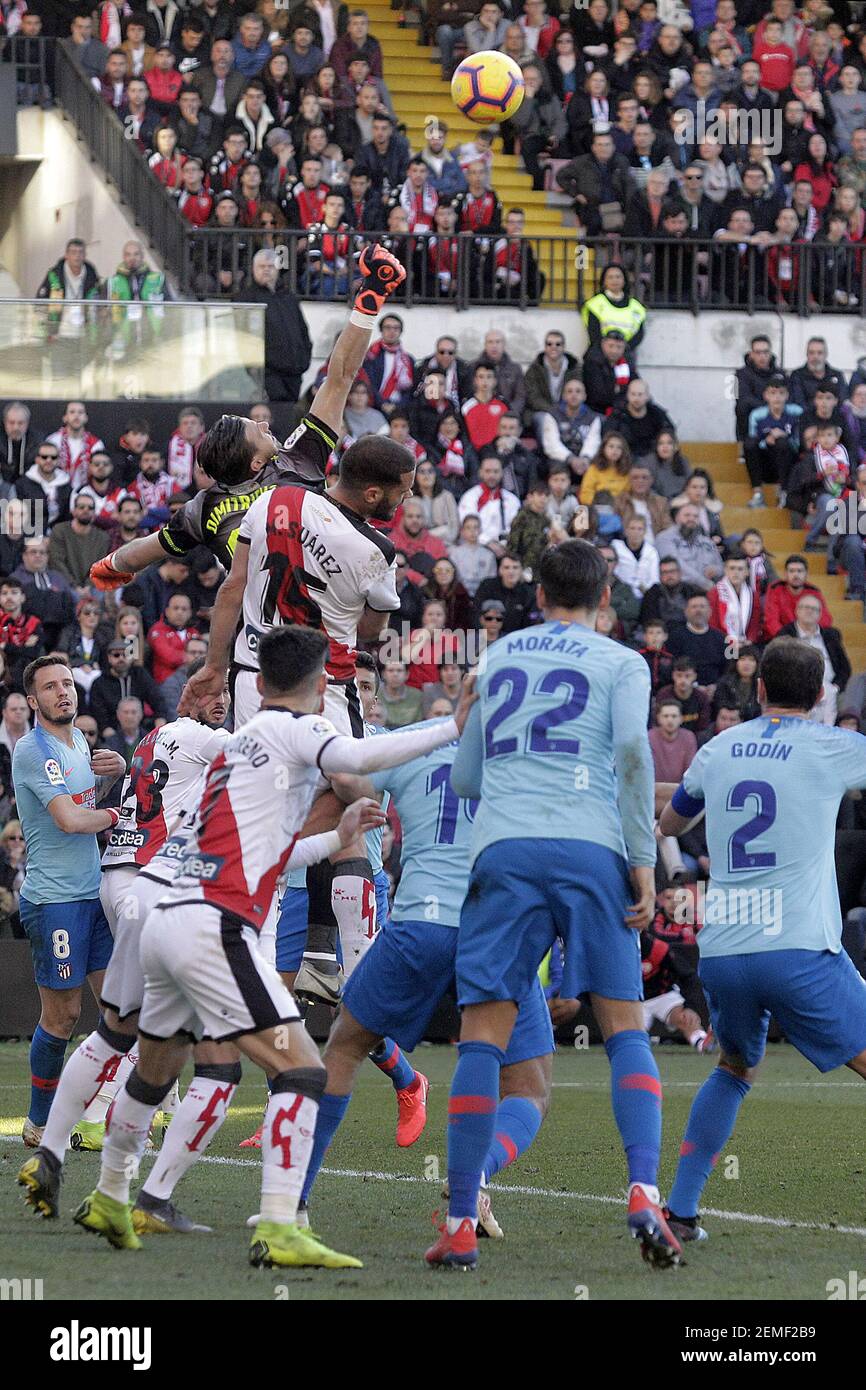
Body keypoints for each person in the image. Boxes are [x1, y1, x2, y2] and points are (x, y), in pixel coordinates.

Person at [57, 627, 473, 1262]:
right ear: (318, 687)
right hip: (210, 927)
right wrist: (454, 726)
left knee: (156, 1065)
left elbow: (270, 858)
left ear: (256, 682)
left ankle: (114, 1193)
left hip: (167, 918)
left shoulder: (237, 748)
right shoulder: (291, 728)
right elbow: (360, 761)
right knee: (303, 1068)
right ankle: (279, 1226)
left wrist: (337, 840)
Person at [432, 540, 677, 1271]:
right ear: (606, 598)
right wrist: (643, 859)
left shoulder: (498, 657)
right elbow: (633, 753)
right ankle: (642, 1191)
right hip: (590, 845)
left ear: (537, 595)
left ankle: (458, 1223)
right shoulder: (621, 661)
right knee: (625, 1027)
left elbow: (467, 778)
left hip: (503, 847)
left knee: (482, 1038)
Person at [297, 696, 555, 1235]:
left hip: (420, 923)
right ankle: (475, 1179)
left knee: (344, 1045)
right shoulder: (531, 758)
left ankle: (293, 1202)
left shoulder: (421, 741)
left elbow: (349, 776)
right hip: (494, 933)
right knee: (528, 1088)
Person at [658, 638, 866, 1246]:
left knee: (735, 1067)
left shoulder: (719, 747)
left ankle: (681, 1211)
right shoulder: (834, 746)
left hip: (724, 949)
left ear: (759, 691)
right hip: (797, 944)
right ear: (823, 695)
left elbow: (671, 823)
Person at [11, 656, 125, 1149]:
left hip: (92, 892)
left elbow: (83, 802)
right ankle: (38, 1120)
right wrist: (118, 813)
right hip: (54, 900)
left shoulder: (79, 739)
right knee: (62, 1016)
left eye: (67, 683)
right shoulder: (31, 750)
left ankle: (102, 1107)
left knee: (121, 1009)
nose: (64, 692)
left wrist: (117, 771)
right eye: (51, 687)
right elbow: (70, 820)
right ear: (33, 701)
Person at [235, 249, 312, 403]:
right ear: (253, 269)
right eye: (261, 266)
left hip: (294, 374)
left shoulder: (289, 297)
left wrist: (304, 361)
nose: (266, 270)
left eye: (270, 266)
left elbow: (303, 332)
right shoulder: (246, 299)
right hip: (269, 376)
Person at [778, 593, 850, 727]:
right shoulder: (785, 634)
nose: (809, 611)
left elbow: (845, 668)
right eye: (805, 607)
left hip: (830, 689)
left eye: (814, 609)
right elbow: (779, 667)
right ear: (797, 611)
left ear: (820, 614)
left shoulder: (831, 635)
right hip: (798, 689)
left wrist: (836, 687)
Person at [458, 457, 521, 557]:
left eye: (496, 471)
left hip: (506, 549)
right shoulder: (470, 497)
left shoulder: (512, 500)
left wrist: (504, 544)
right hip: (477, 547)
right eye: (488, 471)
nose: (492, 475)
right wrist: (488, 543)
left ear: (501, 473)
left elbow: (516, 527)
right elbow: (467, 527)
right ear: (481, 473)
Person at [655, 503, 723, 592]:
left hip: (709, 588)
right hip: (679, 590)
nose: (691, 519)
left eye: (695, 516)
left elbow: (721, 567)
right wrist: (704, 583)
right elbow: (677, 566)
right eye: (687, 515)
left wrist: (716, 570)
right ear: (677, 518)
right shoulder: (664, 538)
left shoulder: (707, 542)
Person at [763, 554, 832, 639]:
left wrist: (809, 634)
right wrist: (788, 639)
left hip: (809, 637)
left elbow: (825, 619)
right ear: (785, 574)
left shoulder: (813, 592)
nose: (796, 575)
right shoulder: (776, 589)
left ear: (806, 574)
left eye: (800, 571)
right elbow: (771, 621)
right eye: (791, 571)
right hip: (782, 639)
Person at [665, 595, 728, 689]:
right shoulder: (675, 637)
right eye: (694, 607)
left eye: (702, 606)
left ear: (710, 612)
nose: (698, 610)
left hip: (716, 691)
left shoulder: (721, 638)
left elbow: (728, 669)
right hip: (685, 690)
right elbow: (671, 668)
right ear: (686, 612)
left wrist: (716, 687)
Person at [581, 263, 647, 351]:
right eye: (610, 277)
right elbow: (594, 334)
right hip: (600, 354)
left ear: (624, 280)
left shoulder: (636, 307)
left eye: (618, 277)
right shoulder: (595, 304)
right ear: (604, 281)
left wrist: (622, 349)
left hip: (626, 353)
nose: (614, 280)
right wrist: (609, 350)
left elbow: (639, 334)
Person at [708, 550, 763, 646]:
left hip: (746, 644)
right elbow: (713, 624)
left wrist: (750, 640)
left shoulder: (753, 595)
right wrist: (731, 643)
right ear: (725, 570)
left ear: (747, 572)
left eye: (740, 569)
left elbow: (755, 622)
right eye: (732, 568)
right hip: (721, 643)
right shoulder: (715, 593)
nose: (735, 572)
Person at [449, 513, 498, 598]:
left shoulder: (489, 555)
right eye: (468, 528)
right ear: (462, 531)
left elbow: (491, 579)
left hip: (483, 595)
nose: (472, 531)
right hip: (460, 595)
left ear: (480, 530)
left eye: (476, 527)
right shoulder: (455, 554)